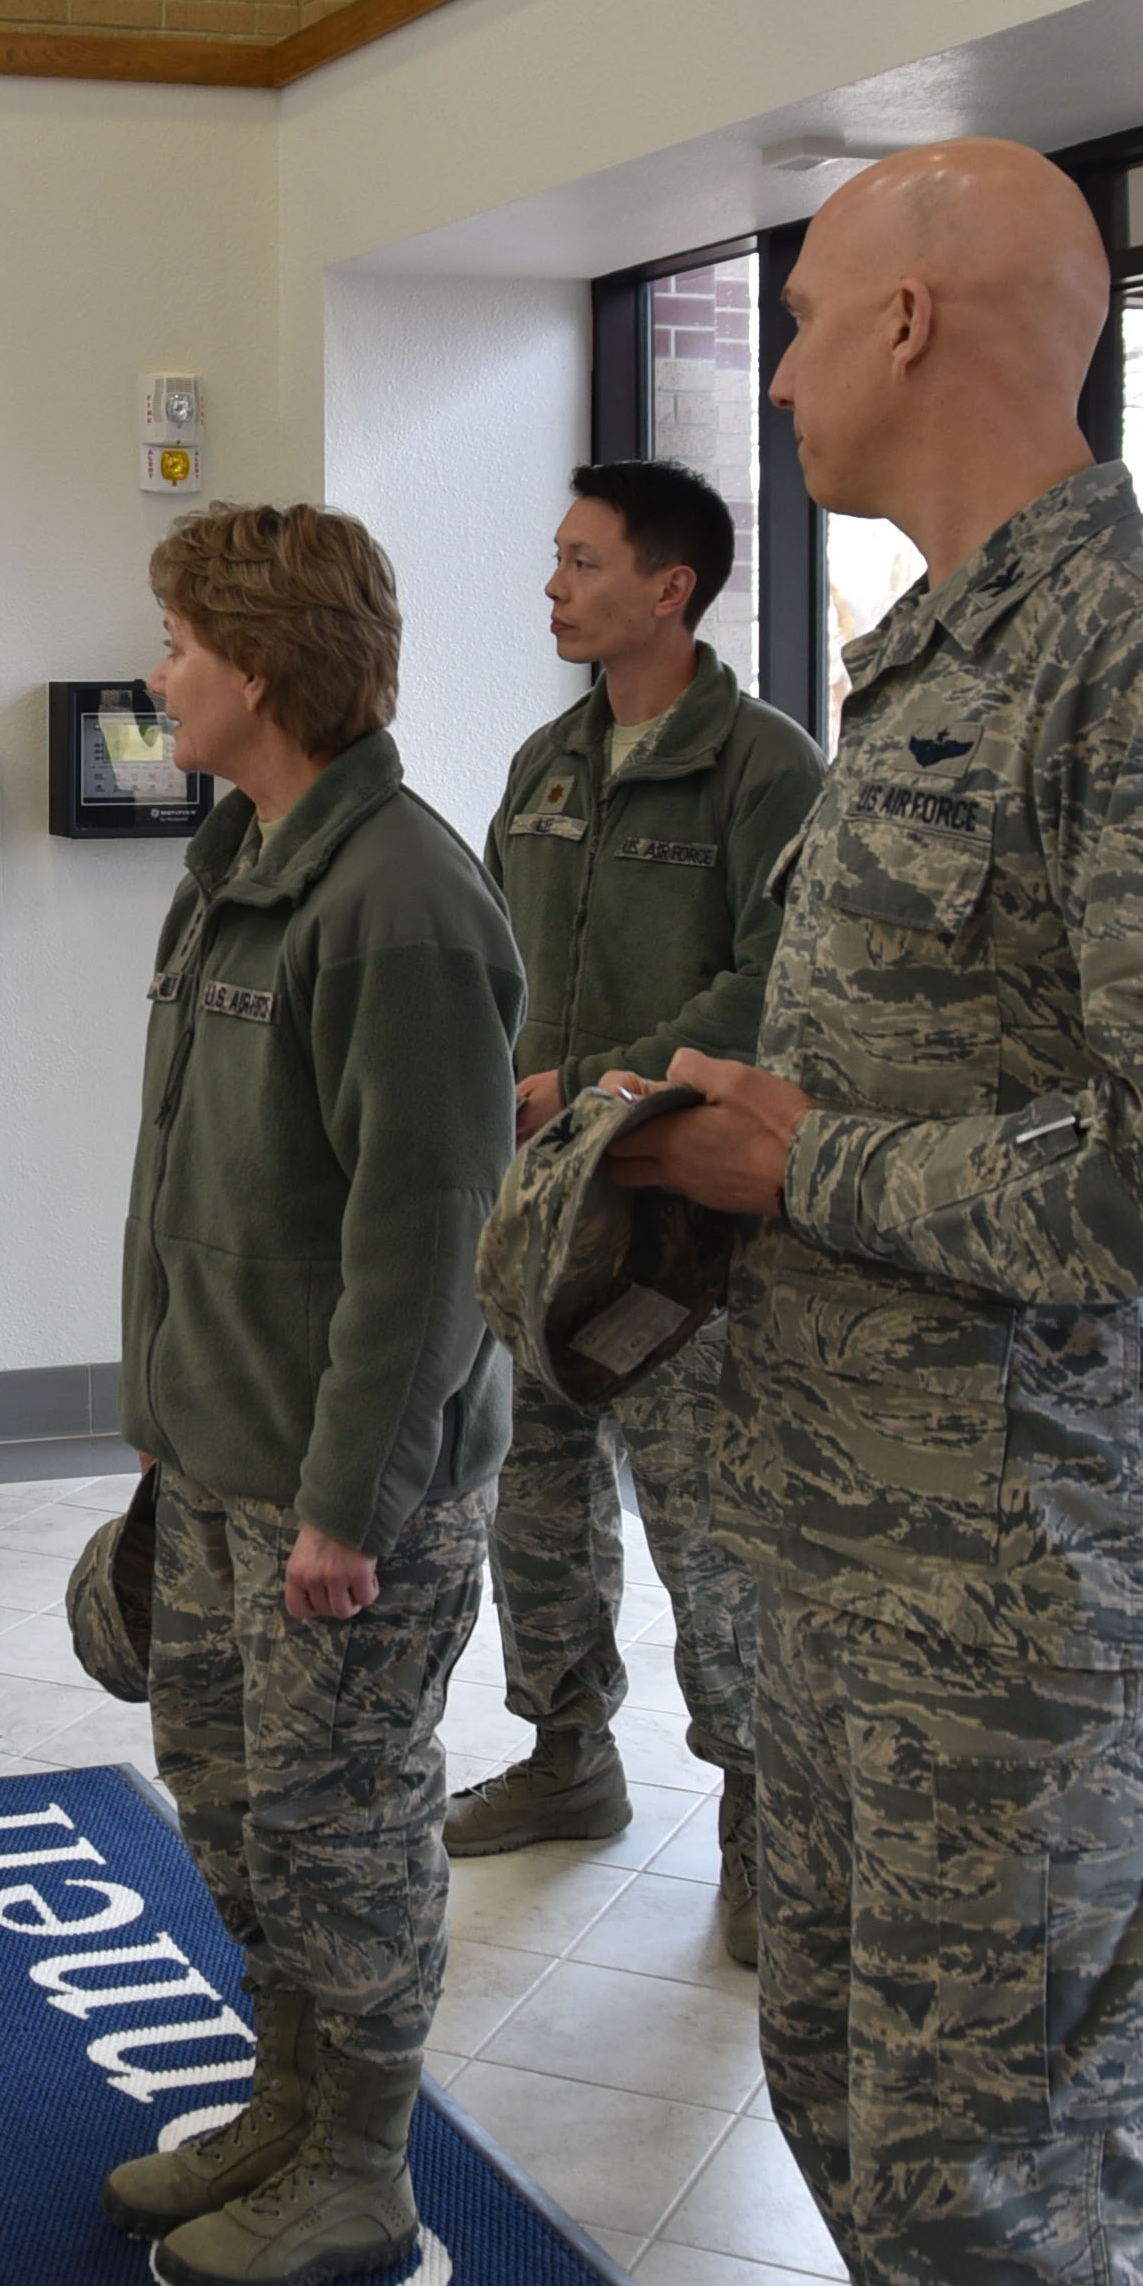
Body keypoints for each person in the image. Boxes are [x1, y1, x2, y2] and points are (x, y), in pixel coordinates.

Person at [606, 141, 1143, 2286]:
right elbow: (907, 1066)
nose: (768, 363)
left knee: (1021, 2199)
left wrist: (801, 1162)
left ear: (904, 324)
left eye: (793, 313)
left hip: (1046, 1609)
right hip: (853, 1579)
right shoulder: (915, 657)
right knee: (882, 2136)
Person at [102, 501, 525, 2286]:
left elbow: (425, 1242)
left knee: (340, 1826)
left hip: (343, 1486)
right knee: (224, 1793)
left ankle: (359, 2164)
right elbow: (196, 1178)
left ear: (256, 670)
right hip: (217, 1449)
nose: (156, 672)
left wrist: (348, 1504)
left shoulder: (401, 900)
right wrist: (157, 1413)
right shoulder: (236, 857)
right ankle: (288, 2096)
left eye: (179, 644)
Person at [445, 462, 822, 1964]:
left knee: (712, 1539)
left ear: (669, 589)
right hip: (544, 1223)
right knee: (535, 1509)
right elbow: (487, 959)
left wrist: (605, 1083)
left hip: (682, 1228)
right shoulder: (546, 761)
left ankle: (759, 1817)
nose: (554, 586)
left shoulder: (768, 771)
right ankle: (567, 1755)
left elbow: (781, 979)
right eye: (556, 560)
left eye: (582, 563)